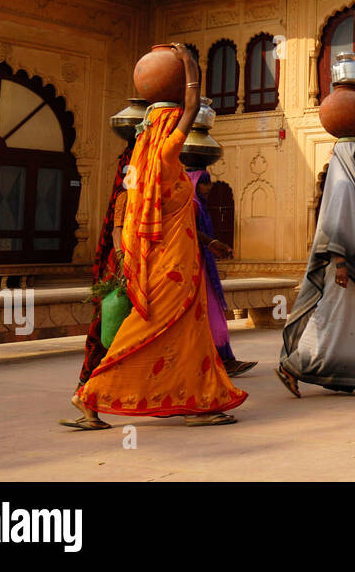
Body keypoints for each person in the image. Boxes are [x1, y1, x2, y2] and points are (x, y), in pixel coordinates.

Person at [71, 44, 247, 426]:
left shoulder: (143, 164)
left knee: (185, 337)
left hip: (175, 263)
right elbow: (191, 108)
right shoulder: (167, 156)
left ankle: (195, 403)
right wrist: (189, 66)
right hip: (171, 270)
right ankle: (89, 395)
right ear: (168, 130)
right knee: (144, 332)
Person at [277, 141, 355, 397]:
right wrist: (342, 265)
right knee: (332, 321)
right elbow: (334, 229)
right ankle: (294, 366)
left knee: (354, 323)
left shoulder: (352, 189)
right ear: (348, 160)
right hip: (345, 269)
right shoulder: (344, 188)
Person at [58, 139, 134, 430]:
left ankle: (88, 401)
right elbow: (117, 232)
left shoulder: (144, 199)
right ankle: (87, 396)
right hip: (124, 272)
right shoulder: (126, 198)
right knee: (113, 339)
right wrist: (122, 260)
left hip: (130, 269)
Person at [187, 169, 257, 377]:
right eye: (204, 183)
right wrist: (211, 243)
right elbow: (187, 229)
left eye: (208, 183)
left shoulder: (200, 206)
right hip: (191, 268)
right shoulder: (190, 206)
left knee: (213, 312)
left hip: (202, 266)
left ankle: (221, 359)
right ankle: (217, 361)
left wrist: (212, 244)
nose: (208, 188)